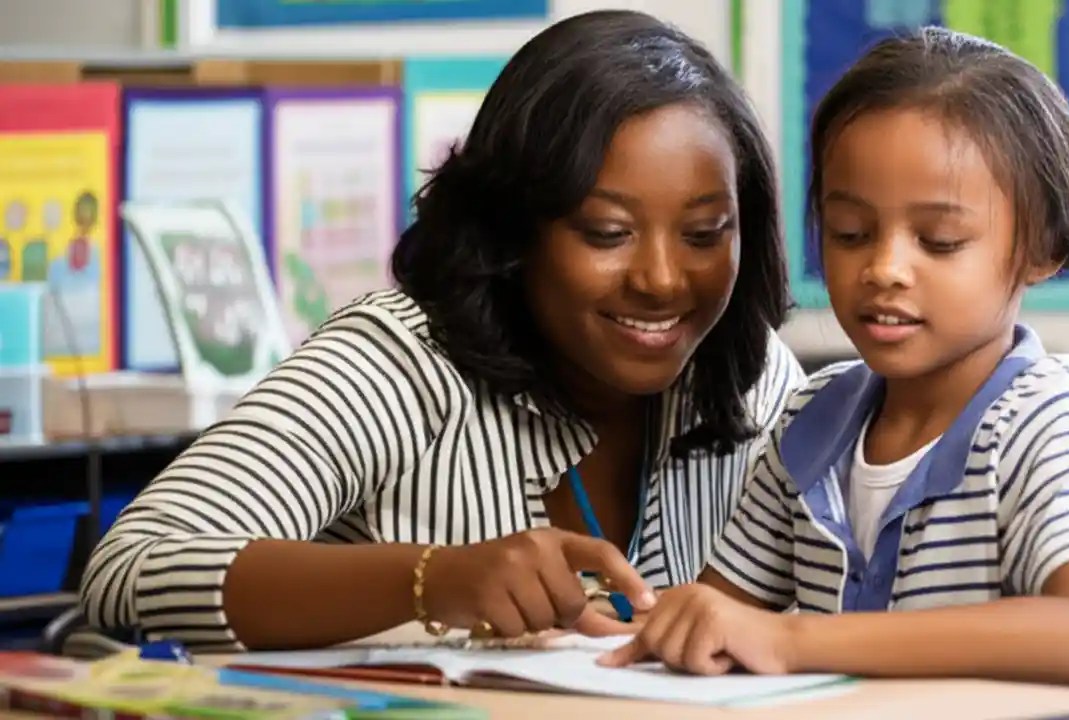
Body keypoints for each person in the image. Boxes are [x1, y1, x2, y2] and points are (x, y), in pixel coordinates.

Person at [79, 9, 804, 653]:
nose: (663, 280)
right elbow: (128, 572)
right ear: (513, 229)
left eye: (706, 234)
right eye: (606, 232)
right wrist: (433, 580)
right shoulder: (396, 361)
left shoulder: (753, 377)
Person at [602, 27, 1069, 693]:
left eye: (940, 241)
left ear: (1042, 249)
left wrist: (794, 638)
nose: (884, 268)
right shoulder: (814, 415)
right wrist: (622, 622)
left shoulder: (1057, 415)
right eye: (850, 234)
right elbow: (721, 614)